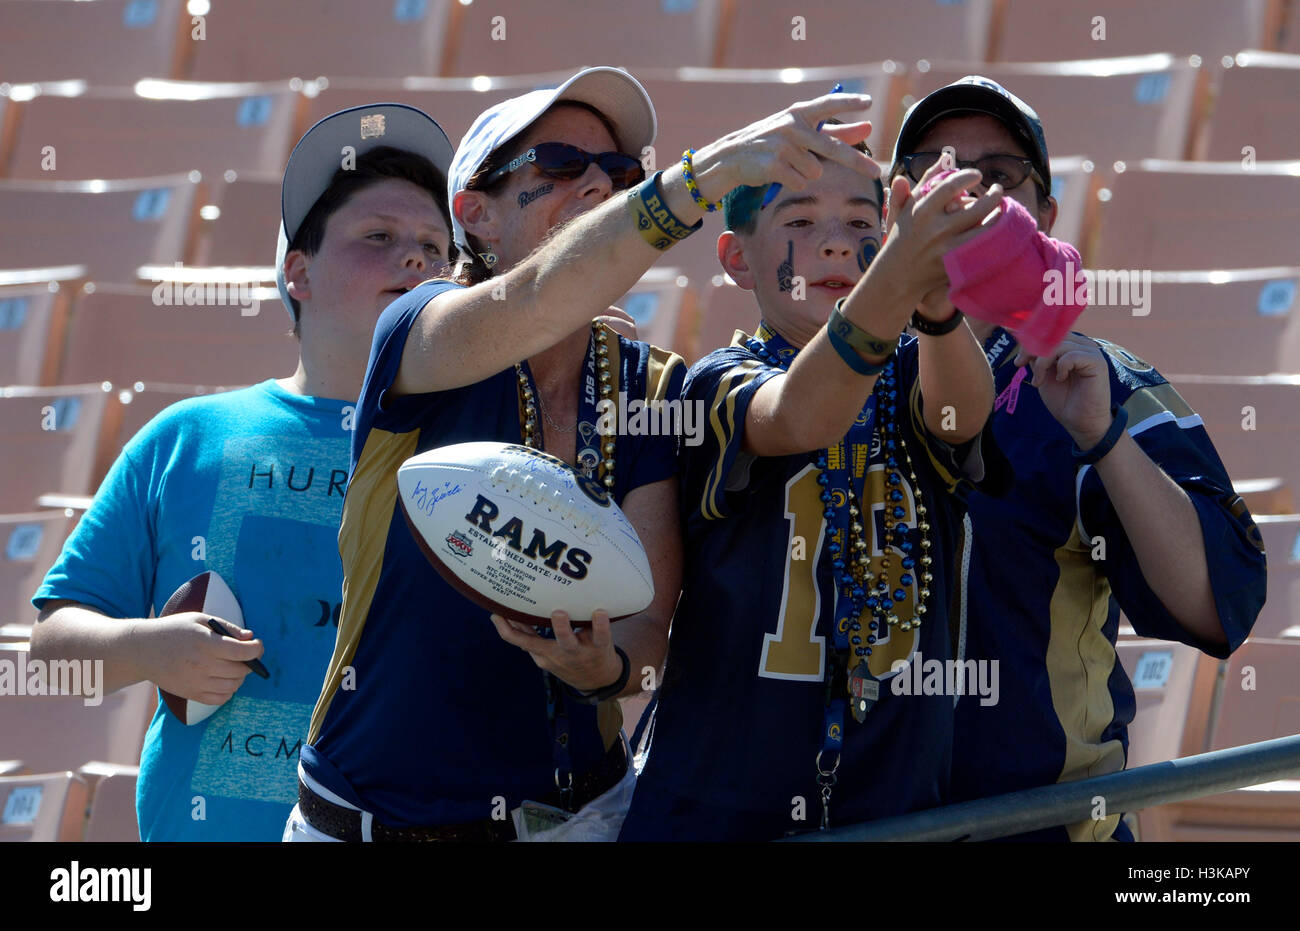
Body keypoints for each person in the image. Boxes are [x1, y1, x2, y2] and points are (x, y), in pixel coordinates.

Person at [289, 67, 885, 842]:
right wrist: (700, 179)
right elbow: (534, 298)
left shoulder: (652, 383)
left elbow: (646, 635)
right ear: (477, 215)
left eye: (623, 170)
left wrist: (598, 670)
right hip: (367, 822)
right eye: (562, 164)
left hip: (577, 823)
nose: (600, 181)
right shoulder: (418, 326)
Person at [30, 103, 457, 840]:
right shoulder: (185, 438)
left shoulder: (481, 450)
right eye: (379, 238)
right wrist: (149, 648)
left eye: (433, 246)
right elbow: (52, 652)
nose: (415, 258)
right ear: (299, 272)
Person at [888, 76, 1268, 841]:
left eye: (994, 176)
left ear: (1046, 215)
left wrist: (1103, 438)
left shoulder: (1099, 380)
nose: (961, 193)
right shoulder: (829, 377)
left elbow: (1218, 604)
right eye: (934, 170)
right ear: (894, 205)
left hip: (1047, 831)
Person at [619, 128, 1013, 841]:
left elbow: (959, 416)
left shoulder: (916, 373)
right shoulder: (712, 383)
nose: (836, 244)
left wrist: (934, 306)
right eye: (799, 221)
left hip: (894, 809)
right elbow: (800, 414)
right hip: (717, 814)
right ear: (738, 258)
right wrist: (891, 278)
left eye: (864, 225)